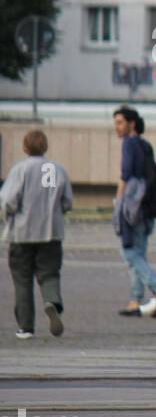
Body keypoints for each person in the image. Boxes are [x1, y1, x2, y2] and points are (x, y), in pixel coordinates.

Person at [2, 130, 73, 339]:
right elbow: (63, 201)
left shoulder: (20, 170)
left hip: (22, 234)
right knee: (49, 273)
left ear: (24, 147)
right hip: (50, 232)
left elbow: (9, 201)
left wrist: (9, 214)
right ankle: (51, 301)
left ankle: (26, 327)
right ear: (46, 147)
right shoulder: (51, 170)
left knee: (22, 279)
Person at [112, 106, 156, 317]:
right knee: (139, 252)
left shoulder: (129, 143)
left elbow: (125, 175)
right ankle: (135, 300)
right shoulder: (145, 145)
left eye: (120, 122)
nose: (117, 127)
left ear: (131, 124)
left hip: (132, 207)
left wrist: (118, 202)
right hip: (146, 209)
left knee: (129, 252)